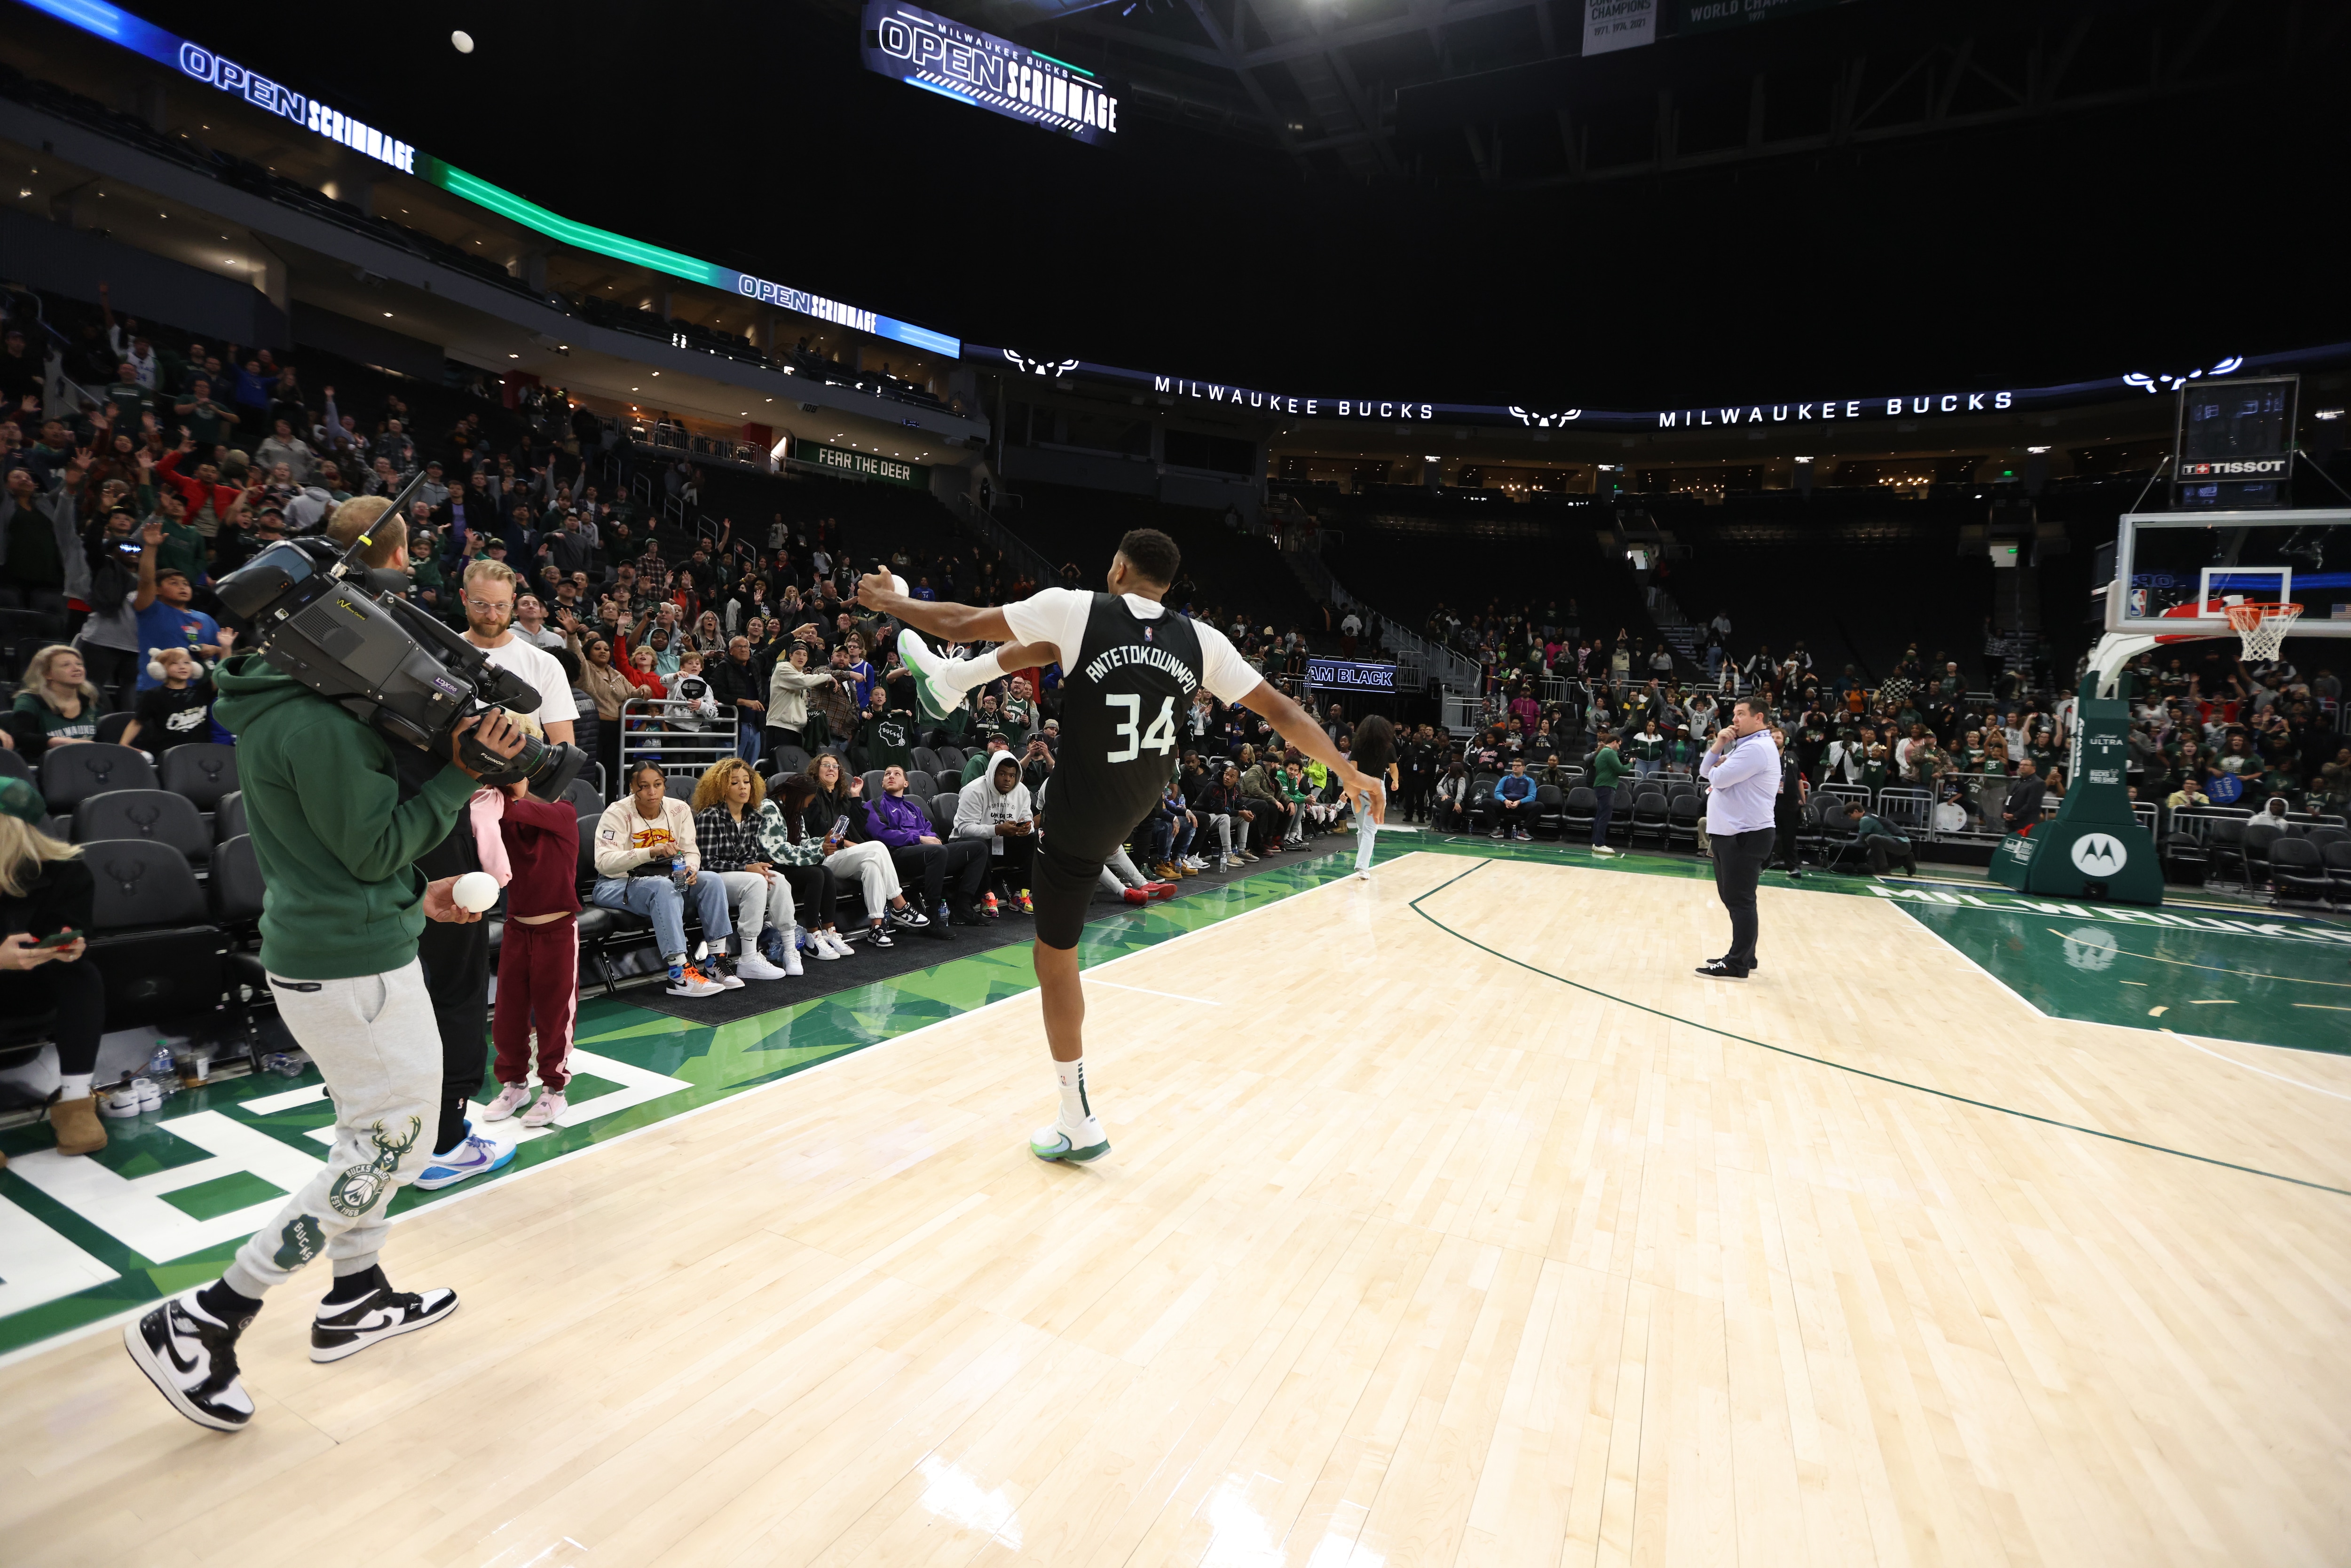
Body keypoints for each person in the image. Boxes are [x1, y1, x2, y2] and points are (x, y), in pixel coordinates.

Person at [123, 634, 528, 1431]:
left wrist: (421, 895)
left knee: (368, 1137)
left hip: (348, 947)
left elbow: (334, 855)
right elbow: (375, 847)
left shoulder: (286, 710)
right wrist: (463, 775)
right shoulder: (319, 725)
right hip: (353, 971)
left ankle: (354, 1295)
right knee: (393, 1151)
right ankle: (208, 1315)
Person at [868, 527, 1368, 1163]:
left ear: (1120, 570)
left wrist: (892, 604)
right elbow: (1285, 714)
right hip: (1139, 797)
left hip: (1079, 816)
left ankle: (1076, 1114)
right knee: (1048, 647)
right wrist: (1347, 768)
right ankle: (953, 683)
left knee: (1055, 958)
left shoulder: (1079, 607)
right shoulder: (1202, 639)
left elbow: (963, 619)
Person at [0, 777, 105, 1163]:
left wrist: (69, 946)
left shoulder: (65, 871)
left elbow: (71, 929)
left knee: (82, 974)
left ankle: (76, 1102)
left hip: (34, 984)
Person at [477, 770, 583, 1127]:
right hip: (517, 930)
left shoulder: (563, 813)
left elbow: (512, 808)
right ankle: (515, 1084)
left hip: (558, 932)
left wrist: (492, 792)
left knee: (555, 1014)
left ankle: (555, 1090)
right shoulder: (506, 817)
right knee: (508, 1012)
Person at [590, 761, 736, 996]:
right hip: (614, 884)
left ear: (664, 785)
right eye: (644, 786)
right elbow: (604, 862)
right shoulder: (617, 813)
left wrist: (690, 869)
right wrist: (650, 851)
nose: (652, 792)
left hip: (666, 879)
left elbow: (691, 851)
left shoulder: (679, 809)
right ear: (632, 788)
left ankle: (715, 962)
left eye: (658, 785)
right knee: (663, 887)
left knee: (711, 881)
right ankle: (679, 973)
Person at [800, 752, 928, 945]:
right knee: (877, 847)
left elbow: (858, 827)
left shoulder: (842, 798)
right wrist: (847, 843)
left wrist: (854, 797)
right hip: (824, 856)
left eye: (835, 766)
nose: (831, 769)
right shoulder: (811, 797)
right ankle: (900, 904)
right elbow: (820, 832)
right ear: (816, 770)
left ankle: (876, 927)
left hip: (848, 855)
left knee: (872, 867)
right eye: (825, 765)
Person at [1695, 698, 1779, 979]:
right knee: (1737, 899)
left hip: (1745, 834)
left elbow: (1715, 779)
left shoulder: (1756, 749)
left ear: (1760, 719)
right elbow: (1706, 772)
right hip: (1734, 833)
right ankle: (1745, 955)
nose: (1735, 719)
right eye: (1734, 714)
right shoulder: (1745, 747)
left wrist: (1720, 767)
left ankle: (1737, 963)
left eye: (1742, 714)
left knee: (1740, 900)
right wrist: (1719, 743)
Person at [690, 757, 795, 979]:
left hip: (742, 878)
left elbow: (751, 857)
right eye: (735, 782)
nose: (743, 787)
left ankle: (790, 947)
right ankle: (748, 958)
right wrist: (748, 868)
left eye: (746, 782)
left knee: (778, 879)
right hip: (714, 881)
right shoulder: (710, 816)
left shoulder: (754, 818)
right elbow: (708, 863)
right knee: (756, 881)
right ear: (722, 787)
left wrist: (758, 867)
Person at [867, 763, 989, 932]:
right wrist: (920, 838)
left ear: (906, 783)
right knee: (937, 851)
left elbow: (928, 830)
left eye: (897, 774)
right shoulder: (874, 805)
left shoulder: (913, 808)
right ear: (882, 783)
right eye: (887, 774)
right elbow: (882, 835)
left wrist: (931, 838)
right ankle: (932, 917)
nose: (891, 776)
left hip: (927, 853)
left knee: (978, 848)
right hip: (897, 856)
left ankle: (963, 907)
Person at [755, 772, 849, 960]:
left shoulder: (795, 812)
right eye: (806, 801)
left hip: (786, 864)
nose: (807, 806)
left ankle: (829, 931)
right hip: (768, 865)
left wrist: (823, 842)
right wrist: (820, 852)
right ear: (795, 796)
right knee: (815, 874)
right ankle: (812, 936)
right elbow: (779, 851)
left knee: (826, 872)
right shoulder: (769, 809)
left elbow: (803, 842)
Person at [120, 645, 216, 757]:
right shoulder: (153, 695)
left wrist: (226, 648)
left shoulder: (201, 691)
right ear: (160, 669)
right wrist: (124, 744)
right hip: (169, 755)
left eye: (187, 663)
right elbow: (137, 722)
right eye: (174, 663)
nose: (182, 667)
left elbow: (222, 676)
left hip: (201, 754)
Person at [7, 645, 103, 756]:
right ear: (47, 674)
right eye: (66, 665)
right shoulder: (29, 700)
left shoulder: (92, 698)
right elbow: (20, 737)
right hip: (45, 766)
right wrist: (60, 742)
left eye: (79, 664)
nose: (77, 668)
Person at [1350, 715, 1396, 877]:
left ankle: (1363, 865)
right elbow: (1394, 769)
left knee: (1364, 830)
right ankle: (1364, 865)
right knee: (1367, 830)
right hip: (1376, 790)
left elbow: (1353, 771)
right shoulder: (1389, 747)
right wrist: (1396, 780)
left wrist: (1348, 790)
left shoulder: (1357, 746)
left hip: (1358, 789)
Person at [1589, 728, 1627, 856]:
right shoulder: (1610, 752)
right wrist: (1631, 764)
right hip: (1607, 786)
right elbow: (1621, 769)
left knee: (1600, 815)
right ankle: (1600, 844)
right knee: (1605, 816)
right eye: (1619, 745)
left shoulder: (1602, 753)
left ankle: (1596, 843)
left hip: (1601, 785)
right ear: (1615, 742)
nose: (1619, 748)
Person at [1491, 756, 1536, 842]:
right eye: (1514, 766)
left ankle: (1524, 831)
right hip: (1506, 805)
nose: (1515, 767)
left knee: (1538, 806)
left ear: (1523, 767)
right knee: (1487, 802)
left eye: (1518, 766)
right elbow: (1497, 793)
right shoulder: (1505, 779)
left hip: (1521, 806)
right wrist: (1505, 801)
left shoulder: (1529, 781)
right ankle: (1497, 829)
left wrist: (1519, 802)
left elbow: (1532, 796)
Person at [2003, 756, 2046, 836]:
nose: (2022, 767)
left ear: (2034, 768)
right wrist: (2005, 812)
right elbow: (2008, 799)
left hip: (2026, 823)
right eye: (2021, 765)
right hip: (2011, 823)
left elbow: (2032, 804)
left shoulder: (2038, 783)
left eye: (2026, 765)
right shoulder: (2016, 782)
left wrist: (2015, 816)